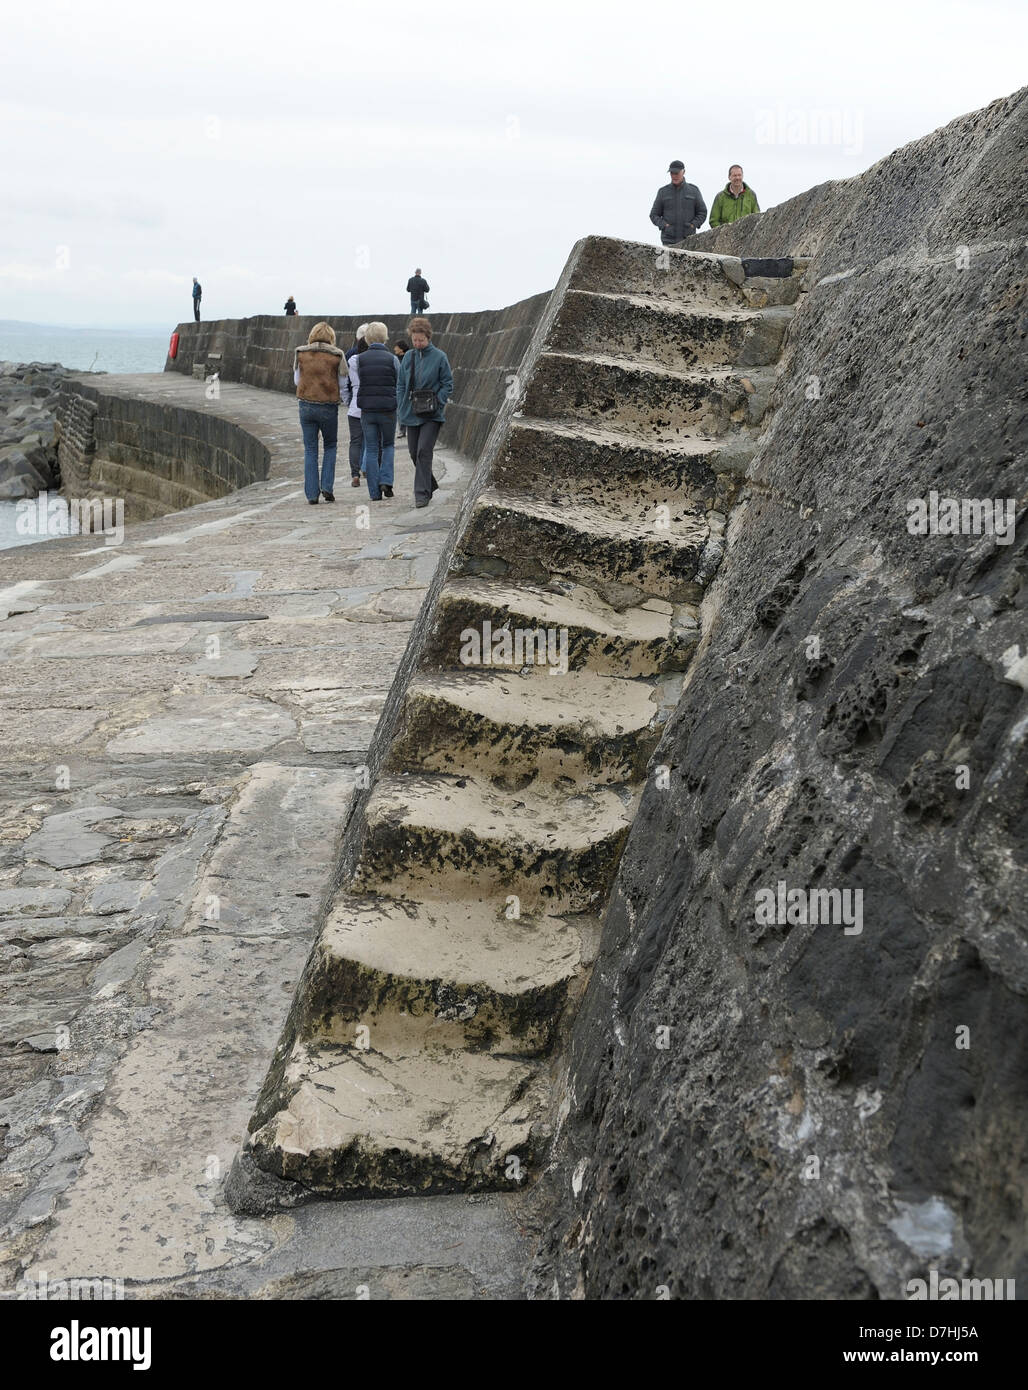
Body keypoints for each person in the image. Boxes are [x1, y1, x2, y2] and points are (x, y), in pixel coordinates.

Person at [396, 316, 453, 508]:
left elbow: (447, 383)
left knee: (423, 452)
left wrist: (438, 400)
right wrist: (401, 405)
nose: (417, 343)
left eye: (421, 340)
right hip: (412, 412)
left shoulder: (440, 357)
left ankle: (421, 494)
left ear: (428, 337)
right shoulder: (408, 358)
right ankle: (430, 483)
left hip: (432, 413)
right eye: (414, 340)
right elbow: (401, 384)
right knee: (413, 452)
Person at [293, 321, 349, 504]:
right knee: (330, 446)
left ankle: (311, 494)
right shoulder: (337, 355)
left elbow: (296, 381)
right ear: (331, 337)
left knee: (310, 449)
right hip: (327, 405)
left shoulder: (301, 353)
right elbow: (342, 384)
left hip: (306, 405)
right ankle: (327, 486)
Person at [352, 322, 399, 501]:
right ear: (385, 337)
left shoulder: (359, 359)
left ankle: (373, 492)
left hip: (367, 408)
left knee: (371, 448)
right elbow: (398, 380)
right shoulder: (392, 359)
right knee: (388, 445)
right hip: (387, 407)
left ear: (368, 338)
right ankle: (386, 480)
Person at [649, 161, 707, 245]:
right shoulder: (663, 192)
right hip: (668, 241)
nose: (674, 176)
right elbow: (654, 215)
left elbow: (702, 212)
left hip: (689, 241)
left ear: (683, 172)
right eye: (672, 173)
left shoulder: (694, 191)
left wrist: (693, 225)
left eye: (676, 173)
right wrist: (665, 226)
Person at [345, 324, 369, 487]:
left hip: (355, 405)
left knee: (355, 441)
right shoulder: (380, 357)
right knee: (370, 440)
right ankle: (366, 467)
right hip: (371, 405)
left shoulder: (350, 357)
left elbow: (346, 383)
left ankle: (355, 474)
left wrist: (347, 400)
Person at [392, 339, 410, 437]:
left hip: (406, 386)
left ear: (401, 349)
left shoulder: (407, 358)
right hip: (398, 386)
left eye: (396, 346)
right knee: (400, 408)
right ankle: (402, 429)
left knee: (402, 408)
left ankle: (404, 429)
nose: (394, 348)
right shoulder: (396, 358)